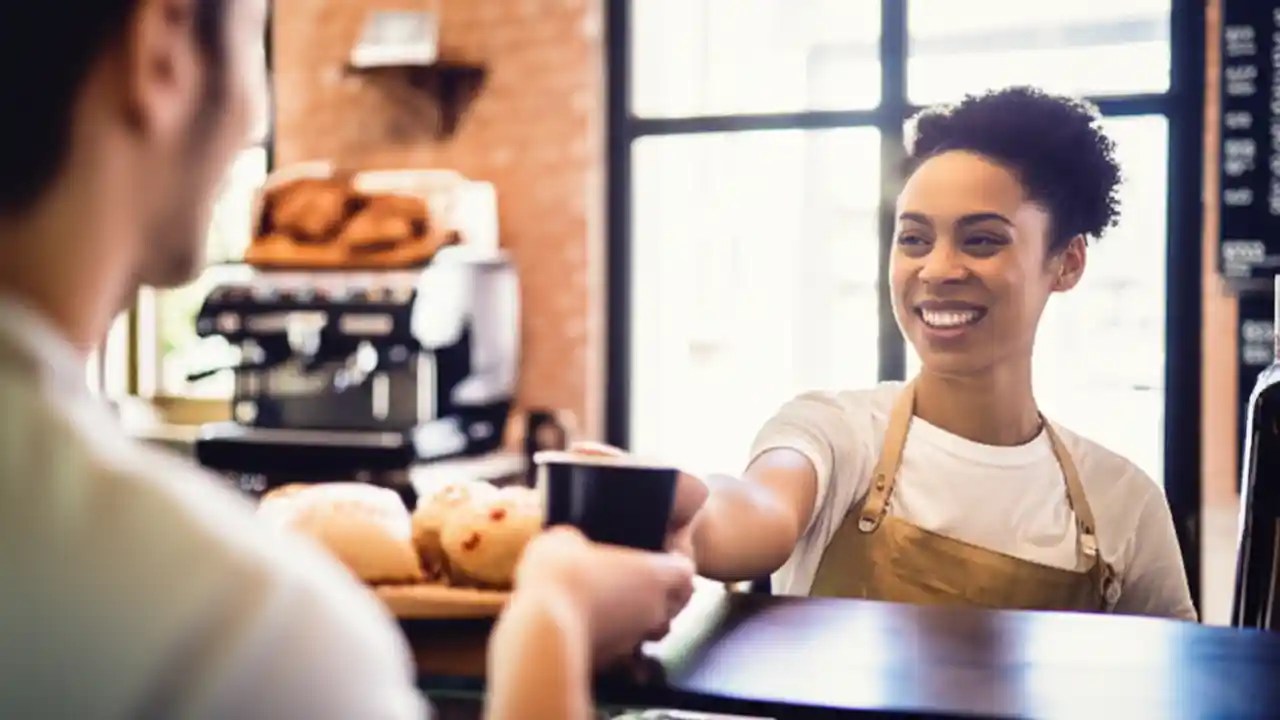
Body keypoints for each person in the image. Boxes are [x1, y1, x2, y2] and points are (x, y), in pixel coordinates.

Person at [0, 2, 694, 719]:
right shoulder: (251, 638)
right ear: (163, 48)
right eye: (254, 41)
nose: (250, 112)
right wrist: (553, 619)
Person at [583, 86, 1196, 620]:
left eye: (981, 240)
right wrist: (676, 510)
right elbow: (759, 511)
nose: (937, 269)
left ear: (1067, 262)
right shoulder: (835, 432)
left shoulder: (1124, 501)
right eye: (914, 239)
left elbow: (1177, 687)